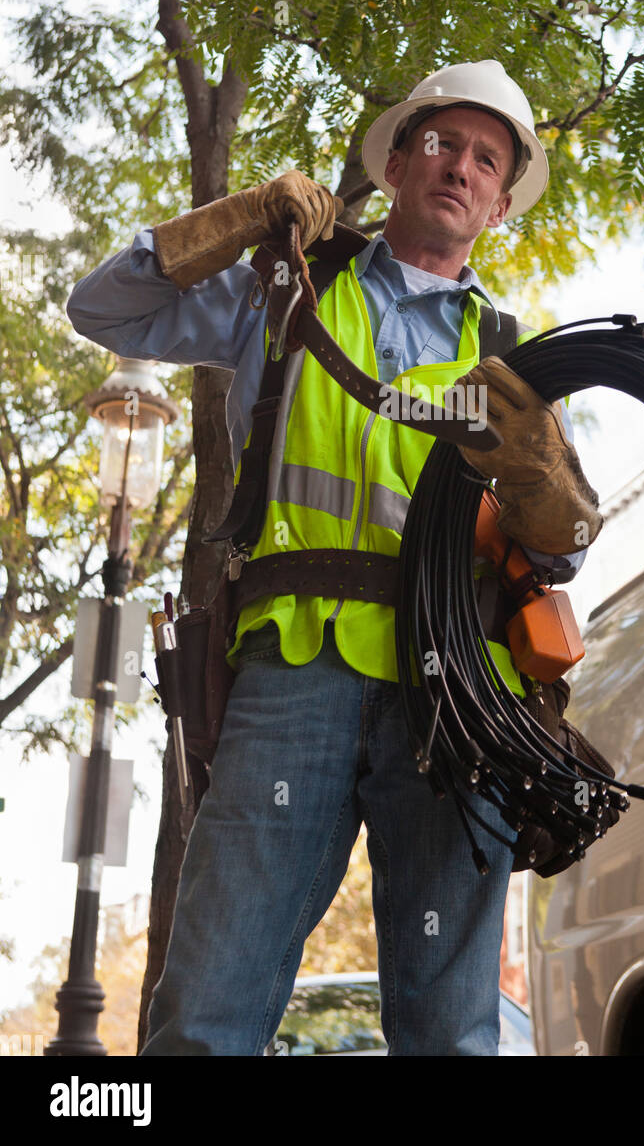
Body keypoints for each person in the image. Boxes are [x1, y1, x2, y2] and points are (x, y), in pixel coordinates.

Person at [67, 59, 603, 1056]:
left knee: (449, 1029)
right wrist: (234, 219)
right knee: (206, 1004)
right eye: (440, 142)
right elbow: (102, 310)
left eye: (486, 159)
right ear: (396, 163)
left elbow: (557, 553)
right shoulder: (281, 291)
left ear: (496, 202)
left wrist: (538, 476)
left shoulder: (516, 356)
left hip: (454, 694)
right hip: (291, 671)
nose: (460, 166)